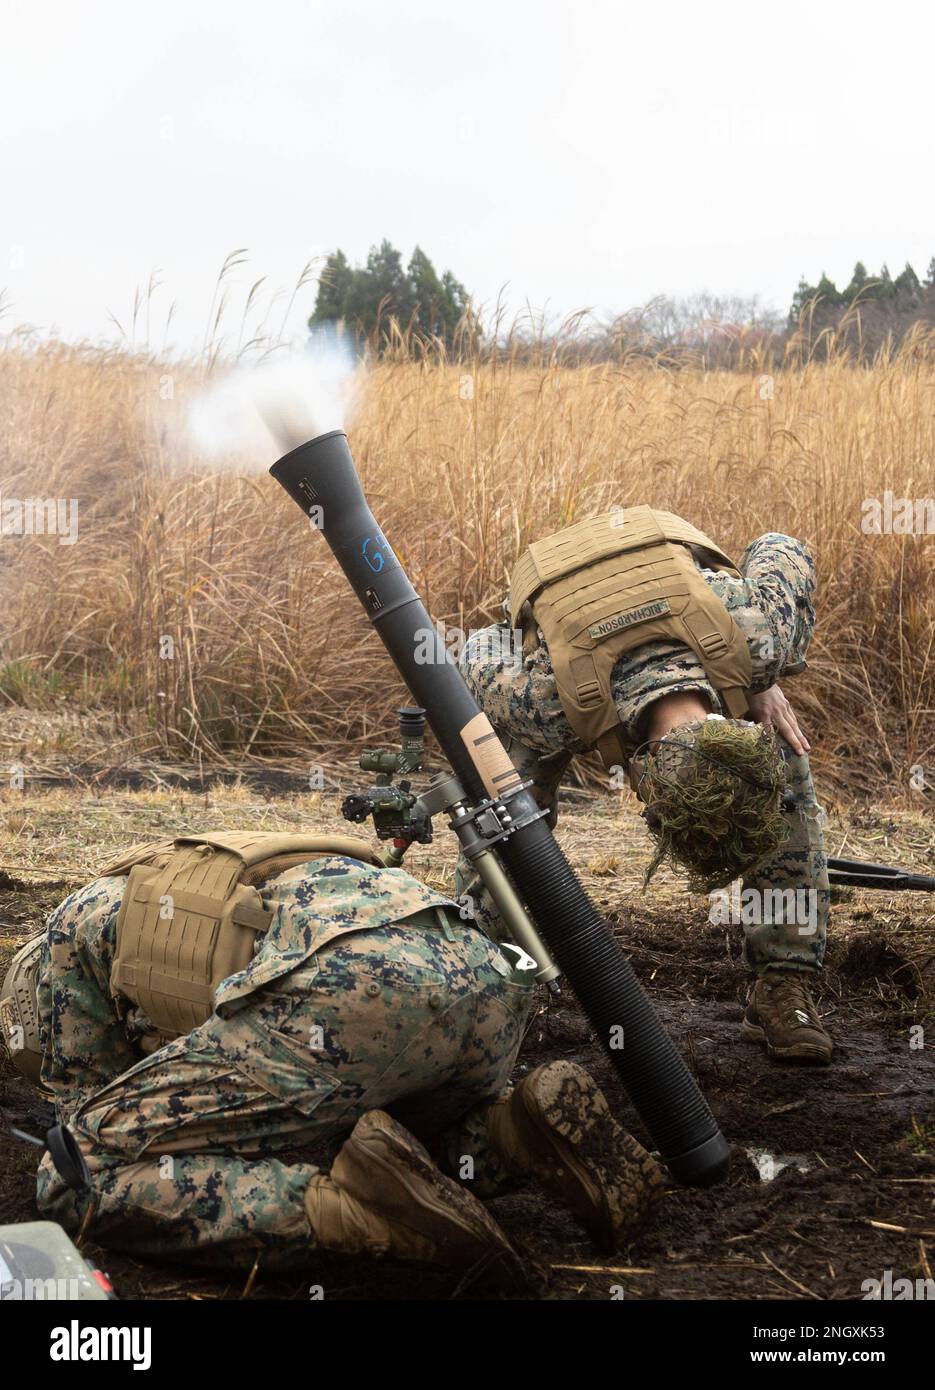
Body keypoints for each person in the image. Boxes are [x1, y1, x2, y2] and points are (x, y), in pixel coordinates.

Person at [13, 830, 661, 1284]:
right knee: (365, 1125)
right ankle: (508, 1132)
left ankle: (362, 1214)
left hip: (345, 1002)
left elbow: (83, 1120)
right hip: (477, 974)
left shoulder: (70, 933)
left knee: (74, 1176)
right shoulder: (190, 881)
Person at [457, 505, 832, 1064]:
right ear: (642, 782)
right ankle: (480, 972)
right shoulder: (542, 704)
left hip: (671, 571)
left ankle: (784, 984)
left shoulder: (764, 635)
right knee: (508, 787)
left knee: (780, 756)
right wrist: (543, 647)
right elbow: (480, 645)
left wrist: (759, 676)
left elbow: (782, 543)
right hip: (565, 593)